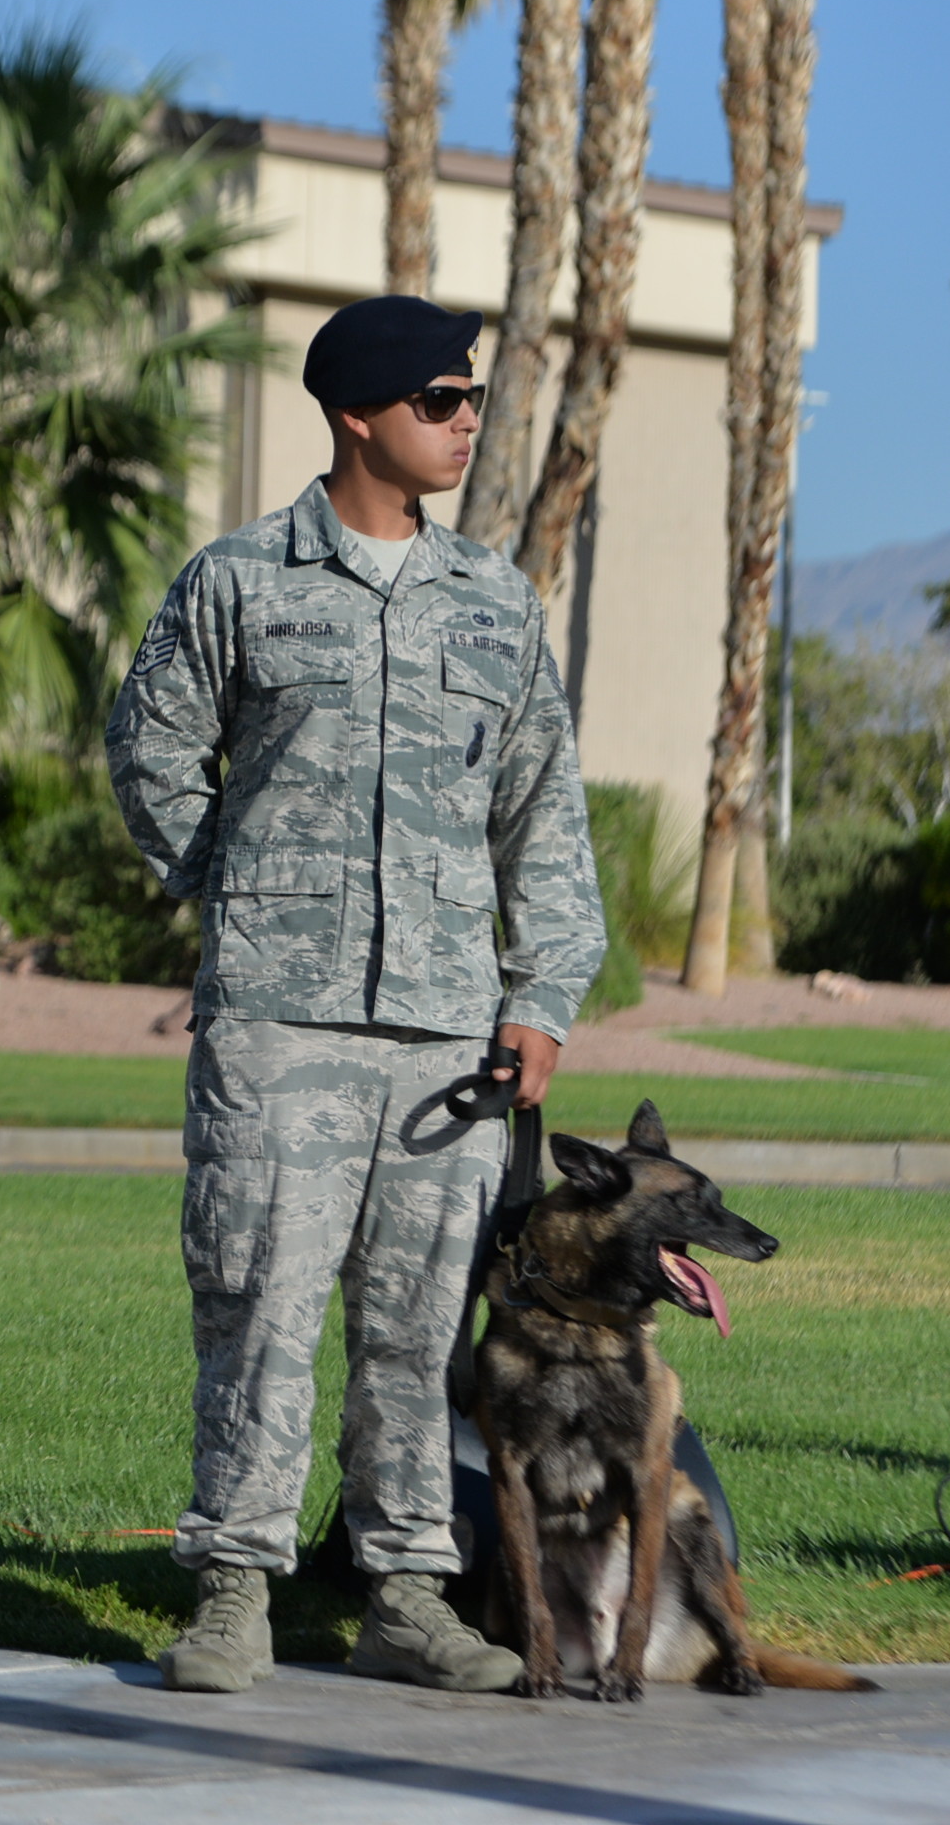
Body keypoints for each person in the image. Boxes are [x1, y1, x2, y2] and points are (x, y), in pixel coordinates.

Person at [105, 294, 608, 1696]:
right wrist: (238, 885)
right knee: (259, 1303)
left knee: (418, 1322)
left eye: (470, 400)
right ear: (357, 417)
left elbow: (545, 822)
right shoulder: (242, 581)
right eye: (441, 400)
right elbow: (149, 746)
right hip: (283, 1025)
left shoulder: (497, 602)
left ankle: (403, 1593)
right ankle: (231, 1592)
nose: (465, 421)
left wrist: (543, 996)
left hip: (448, 1035)